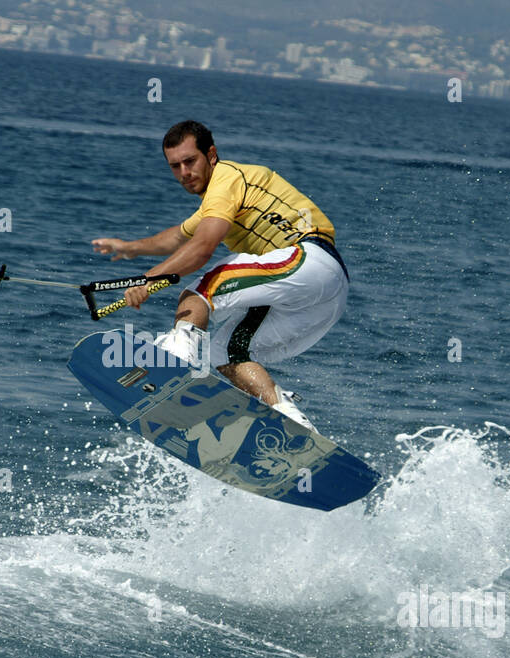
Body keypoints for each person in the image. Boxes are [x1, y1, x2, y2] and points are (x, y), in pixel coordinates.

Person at [91, 120, 349, 432]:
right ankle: (291, 422)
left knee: (200, 293)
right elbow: (178, 237)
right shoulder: (214, 204)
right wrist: (131, 248)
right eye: (175, 166)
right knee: (225, 351)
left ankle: (175, 365)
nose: (184, 173)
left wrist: (148, 280)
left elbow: (202, 248)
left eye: (190, 161)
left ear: (211, 155)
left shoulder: (226, 178)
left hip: (310, 260)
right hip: (323, 299)